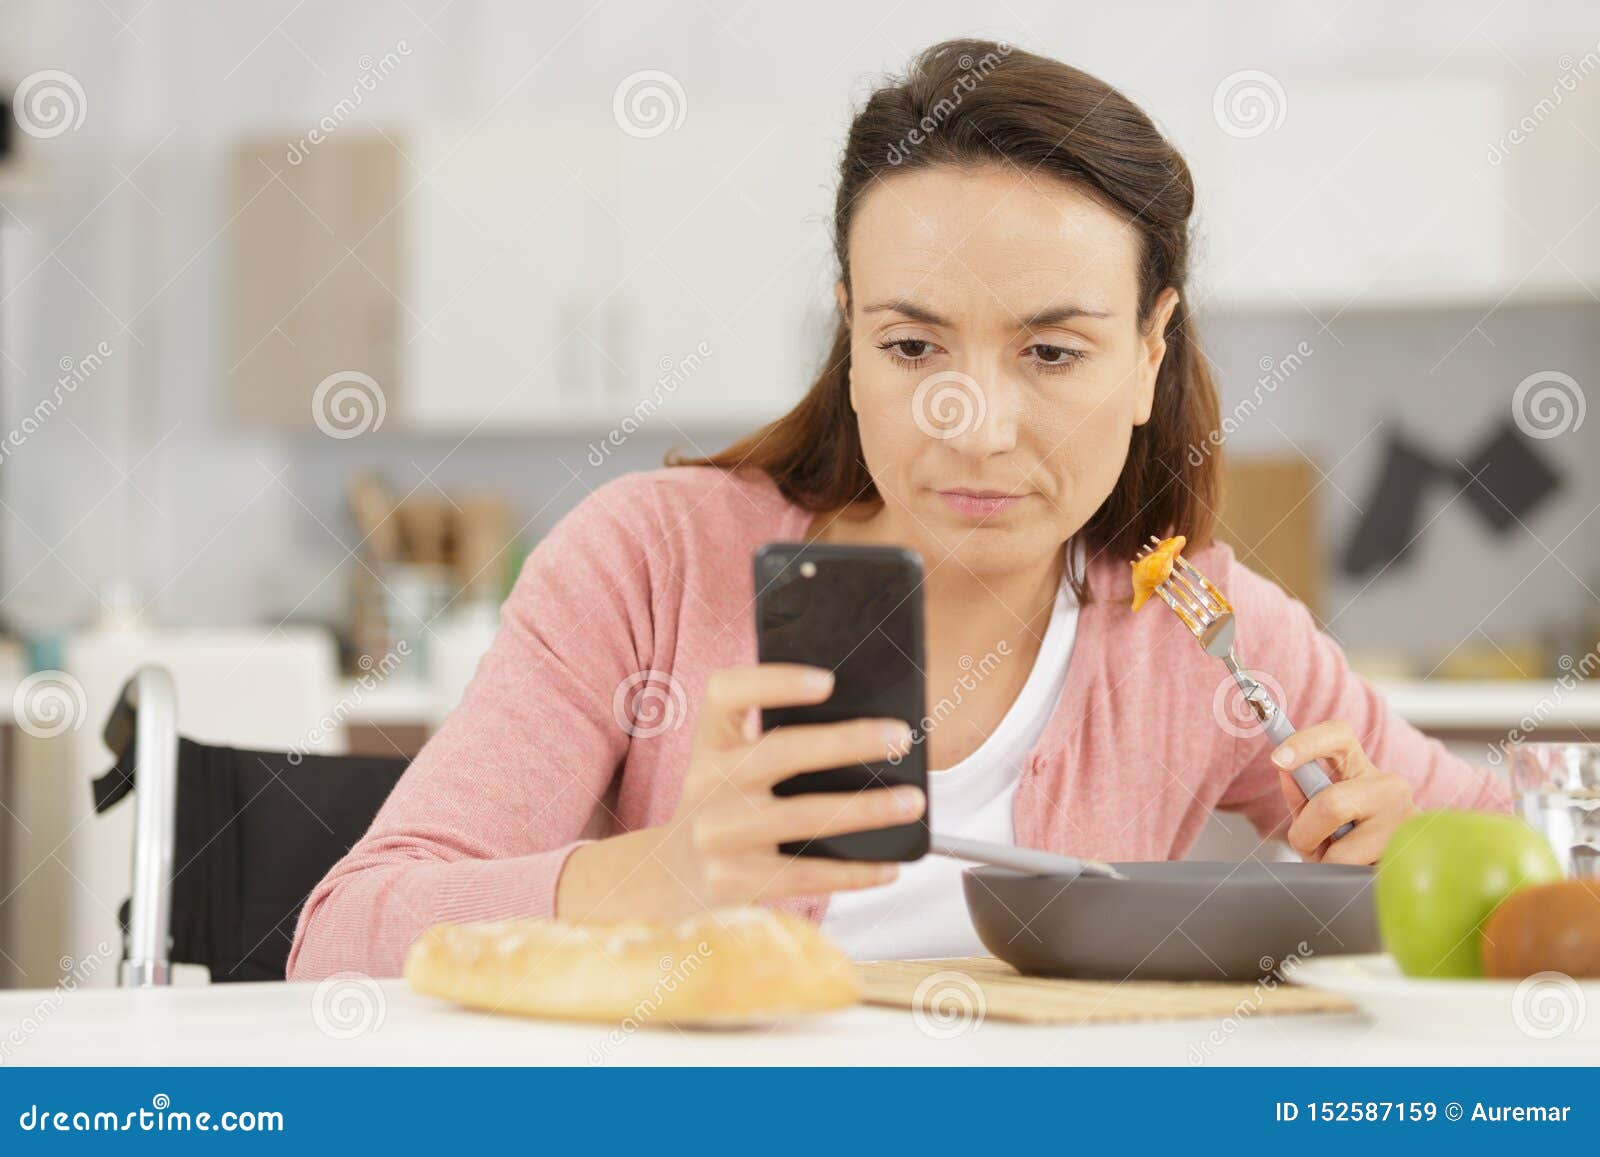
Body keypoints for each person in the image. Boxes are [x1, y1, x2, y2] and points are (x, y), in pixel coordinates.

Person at [288, 39, 1506, 978]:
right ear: (851, 341)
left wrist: (1406, 874)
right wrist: (661, 873)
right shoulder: (652, 561)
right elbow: (341, 939)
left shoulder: (1196, 622)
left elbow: (1533, 873)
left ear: (1148, 350)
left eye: (1051, 352)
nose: (972, 425)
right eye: (914, 342)